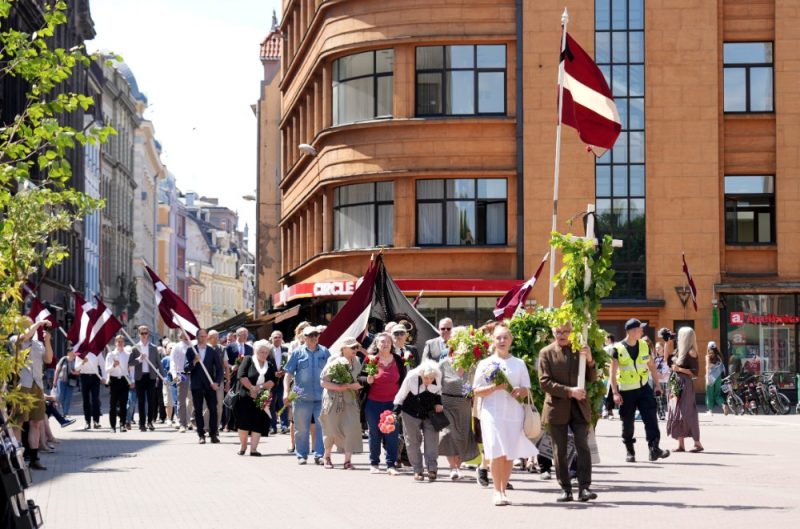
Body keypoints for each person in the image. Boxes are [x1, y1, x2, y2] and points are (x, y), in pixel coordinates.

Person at [472, 323, 536, 506]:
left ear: (511, 340)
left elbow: (527, 389)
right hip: (492, 412)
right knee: (495, 450)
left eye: (505, 337)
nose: (502, 341)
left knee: (509, 453)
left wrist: (520, 390)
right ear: (493, 340)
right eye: (498, 337)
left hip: (513, 413)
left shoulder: (519, 363)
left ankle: (503, 489)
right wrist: (494, 387)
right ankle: (496, 491)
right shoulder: (485, 363)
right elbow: (476, 391)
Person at [539, 321, 598, 503]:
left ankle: (584, 488)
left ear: (572, 332)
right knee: (560, 450)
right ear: (553, 332)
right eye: (558, 331)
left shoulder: (579, 350)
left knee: (582, 445)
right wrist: (570, 391)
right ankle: (565, 488)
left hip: (579, 406)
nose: (562, 335)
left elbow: (592, 378)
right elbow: (545, 383)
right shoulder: (546, 352)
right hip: (557, 408)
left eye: (566, 331)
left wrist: (590, 360)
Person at [610, 319, 670, 463]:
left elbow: (651, 366)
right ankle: (630, 451)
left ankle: (654, 449)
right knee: (627, 422)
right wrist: (615, 393)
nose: (642, 331)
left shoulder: (644, 345)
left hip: (644, 388)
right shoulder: (617, 349)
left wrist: (657, 385)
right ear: (632, 331)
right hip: (626, 391)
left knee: (651, 418)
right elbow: (612, 372)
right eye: (640, 329)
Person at [359, 332, 406, 475]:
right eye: (382, 342)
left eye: (388, 342)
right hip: (373, 403)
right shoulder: (371, 359)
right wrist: (367, 380)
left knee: (392, 434)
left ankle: (391, 464)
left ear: (391, 344)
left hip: (392, 404)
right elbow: (360, 377)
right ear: (377, 344)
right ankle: (374, 463)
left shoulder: (398, 360)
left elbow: (403, 380)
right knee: (375, 434)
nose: (385, 344)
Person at [283, 325, 330, 465]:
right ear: (304, 337)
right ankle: (302, 455)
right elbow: (288, 374)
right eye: (310, 335)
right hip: (301, 397)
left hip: (321, 397)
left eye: (316, 335)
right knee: (301, 429)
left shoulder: (325, 352)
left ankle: (319, 455)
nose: (314, 338)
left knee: (322, 428)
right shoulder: (297, 352)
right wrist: (286, 391)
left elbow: (331, 371)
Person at [13, 318, 54, 470]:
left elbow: (48, 359)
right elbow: (24, 336)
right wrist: (38, 324)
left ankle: (34, 458)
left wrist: (47, 341)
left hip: (37, 385)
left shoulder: (38, 344)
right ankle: (17, 459)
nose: (30, 328)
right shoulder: (16, 340)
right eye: (27, 325)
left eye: (30, 325)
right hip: (22, 385)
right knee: (18, 423)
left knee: (36, 423)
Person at [393, 359, 443, 482]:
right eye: (426, 378)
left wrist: (439, 403)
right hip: (410, 411)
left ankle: (432, 469)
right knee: (412, 441)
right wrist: (394, 413)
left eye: (431, 378)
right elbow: (401, 395)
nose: (428, 381)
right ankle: (417, 470)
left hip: (430, 412)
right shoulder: (411, 377)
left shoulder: (437, 375)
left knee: (432, 440)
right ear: (421, 374)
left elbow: (438, 392)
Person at [319, 337, 363, 469]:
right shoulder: (334, 360)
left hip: (350, 399)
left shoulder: (357, 361)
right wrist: (340, 387)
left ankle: (347, 461)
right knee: (331, 429)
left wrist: (358, 385)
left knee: (351, 428)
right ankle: (327, 457)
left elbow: (360, 380)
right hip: (333, 399)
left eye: (356, 347)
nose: (355, 350)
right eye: (352, 347)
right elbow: (323, 382)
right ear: (343, 348)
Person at [438, 345, 479, 480]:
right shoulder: (443, 365)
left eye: (465, 351)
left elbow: (476, 385)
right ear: (452, 351)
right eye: (459, 350)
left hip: (464, 405)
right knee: (449, 434)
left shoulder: (471, 366)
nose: (462, 353)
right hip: (447, 403)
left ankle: (458, 467)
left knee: (462, 436)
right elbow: (436, 385)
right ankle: (452, 467)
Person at [234, 340, 277, 456]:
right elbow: (241, 376)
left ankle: (253, 449)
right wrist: (252, 388)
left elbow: (273, 381)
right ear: (256, 351)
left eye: (266, 352)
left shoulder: (270, 364)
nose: (264, 354)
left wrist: (259, 387)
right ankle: (243, 446)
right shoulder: (248, 360)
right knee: (244, 422)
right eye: (261, 352)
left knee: (258, 422)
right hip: (245, 397)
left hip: (261, 397)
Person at [665, 327, 704, 452]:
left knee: (687, 412)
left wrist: (679, 369)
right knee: (676, 411)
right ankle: (681, 444)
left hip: (684, 383)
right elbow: (667, 361)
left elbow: (695, 372)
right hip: (675, 382)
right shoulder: (679, 350)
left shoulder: (691, 351)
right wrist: (667, 343)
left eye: (679, 335)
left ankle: (697, 443)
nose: (677, 338)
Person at [185, 329, 223, 444]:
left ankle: (213, 434)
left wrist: (217, 382)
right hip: (196, 385)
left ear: (207, 337)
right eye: (201, 336)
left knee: (213, 409)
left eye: (205, 336)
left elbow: (219, 369)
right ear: (197, 337)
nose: (203, 338)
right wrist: (194, 361)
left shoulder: (212, 351)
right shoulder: (191, 350)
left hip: (210, 385)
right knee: (198, 410)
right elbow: (186, 368)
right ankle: (201, 435)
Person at [129, 325, 160, 432]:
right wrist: (139, 359)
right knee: (141, 401)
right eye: (142, 333)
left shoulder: (153, 347)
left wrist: (163, 376)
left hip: (151, 377)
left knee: (151, 401)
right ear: (139, 334)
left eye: (146, 333)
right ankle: (142, 423)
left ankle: (150, 421)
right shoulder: (135, 348)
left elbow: (158, 363)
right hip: (140, 377)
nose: (144, 335)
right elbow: (130, 363)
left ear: (148, 334)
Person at [105, 335, 132, 433]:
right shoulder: (110, 355)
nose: (120, 343)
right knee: (113, 405)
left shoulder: (127, 355)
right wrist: (113, 365)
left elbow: (130, 369)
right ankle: (113, 426)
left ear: (124, 343)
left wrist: (131, 380)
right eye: (118, 341)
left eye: (121, 341)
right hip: (114, 380)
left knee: (123, 404)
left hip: (124, 380)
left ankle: (122, 424)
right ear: (115, 343)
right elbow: (107, 370)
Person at [170, 334, 193, 432]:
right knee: (181, 400)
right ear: (181, 336)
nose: (186, 336)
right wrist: (174, 374)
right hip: (182, 375)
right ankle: (182, 423)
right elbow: (172, 361)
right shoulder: (177, 347)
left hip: (193, 374)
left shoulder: (194, 345)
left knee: (192, 399)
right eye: (184, 334)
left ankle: (191, 421)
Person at [268, 330, 289, 434]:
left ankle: (284, 425)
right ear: (271, 338)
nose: (277, 339)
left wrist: (284, 371)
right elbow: (265, 364)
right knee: (270, 404)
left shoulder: (286, 350)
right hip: (271, 381)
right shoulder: (267, 350)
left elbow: (289, 363)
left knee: (283, 403)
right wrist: (273, 374)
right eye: (275, 337)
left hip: (282, 381)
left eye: (279, 337)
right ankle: (272, 426)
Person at [206, 330, 226, 433]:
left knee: (219, 405)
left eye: (218, 337)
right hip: (206, 381)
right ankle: (206, 426)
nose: (217, 339)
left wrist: (228, 381)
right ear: (209, 338)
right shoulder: (204, 348)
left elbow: (225, 366)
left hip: (219, 381)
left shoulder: (222, 349)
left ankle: (216, 427)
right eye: (215, 337)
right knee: (206, 405)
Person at [52, 348, 79, 417]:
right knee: (60, 396)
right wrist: (54, 381)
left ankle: (65, 413)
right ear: (69, 353)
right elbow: (57, 370)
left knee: (68, 397)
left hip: (71, 382)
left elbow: (79, 371)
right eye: (73, 352)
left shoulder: (76, 361)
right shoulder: (63, 359)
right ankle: (59, 411)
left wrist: (75, 373)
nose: (74, 353)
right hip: (61, 380)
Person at [705, 341, 726, 415]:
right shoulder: (719, 356)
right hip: (718, 377)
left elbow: (707, 367)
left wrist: (707, 378)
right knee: (717, 394)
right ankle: (723, 405)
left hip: (711, 377)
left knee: (709, 394)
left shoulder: (708, 356)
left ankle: (710, 411)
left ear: (708, 347)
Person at [653, 342, 670, 420]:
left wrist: (665, 374)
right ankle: (661, 414)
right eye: (656, 347)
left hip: (666, 381)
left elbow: (670, 368)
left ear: (663, 348)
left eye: (659, 347)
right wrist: (657, 374)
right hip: (658, 381)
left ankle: (671, 414)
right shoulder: (655, 359)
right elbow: (652, 369)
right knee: (658, 398)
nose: (657, 349)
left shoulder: (666, 358)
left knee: (669, 398)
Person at [602, 334, 616, 419]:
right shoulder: (617, 347)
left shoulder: (606, 349)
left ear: (609, 339)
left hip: (606, 372)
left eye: (606, 339)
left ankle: (606, 410)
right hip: (614, 373)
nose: (604, 341)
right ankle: (609, 410)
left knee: (606, 392)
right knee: (610, 392)